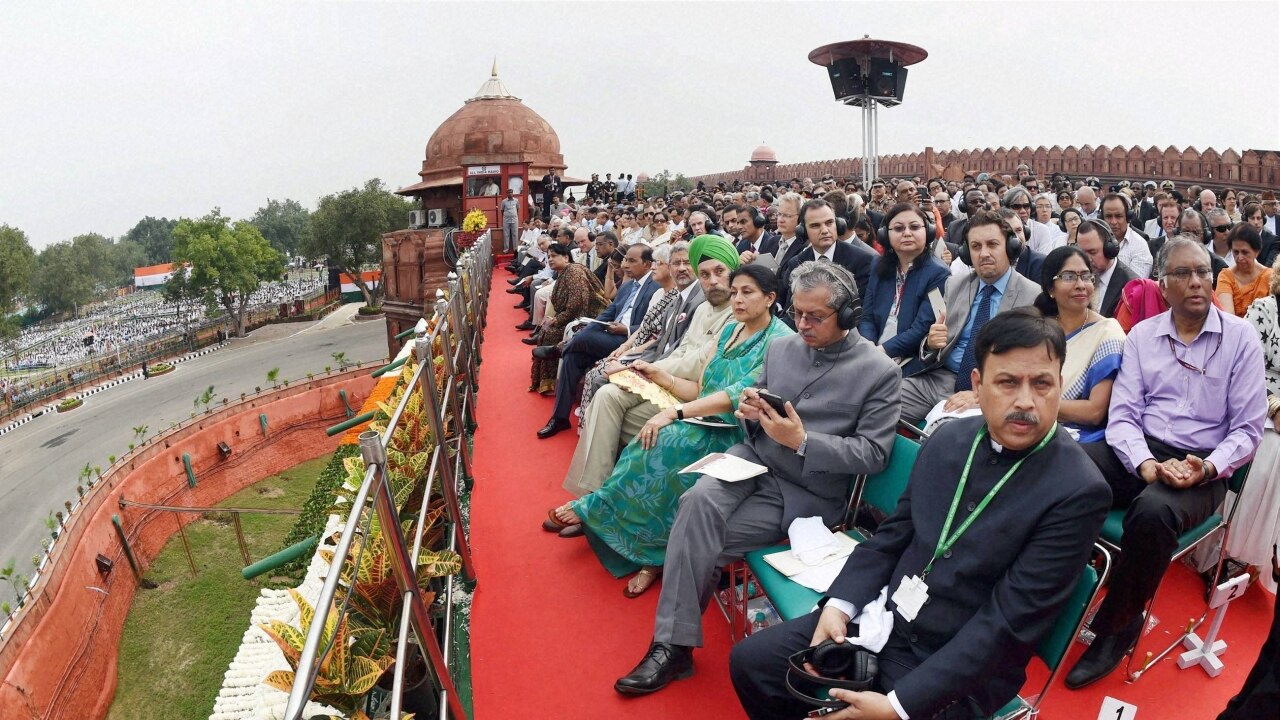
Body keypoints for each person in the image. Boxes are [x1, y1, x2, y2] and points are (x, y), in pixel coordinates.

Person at [730, 310, 1111, 720]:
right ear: (978, 386)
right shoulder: (948, 439)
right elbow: (893, 536)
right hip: (885, 617)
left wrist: (897, 707)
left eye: (1042, 384)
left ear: (1059, 385)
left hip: (962, 659)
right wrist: (839, 606)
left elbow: (1007, 624)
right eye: (1007, 382)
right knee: (754, 664)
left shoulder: (1078, 490)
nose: (1025, 401)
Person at [612, 261, 901, 696]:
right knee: (695, 504)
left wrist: (803, 440)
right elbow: (757, 409)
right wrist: (749, 412)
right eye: (797, 312)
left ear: (847, 315)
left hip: (805, 491)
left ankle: (671, 648)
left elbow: (874, 454)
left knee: (695, 537)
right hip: (749, 461)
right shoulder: (782, 348)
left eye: (814, 317)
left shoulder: (879, 370)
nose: (801, 324)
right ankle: (673, 645)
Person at [1067, 236, 1265, 689]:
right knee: (1067, 468)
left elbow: (1248, 431)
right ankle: (1056, 587)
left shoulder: (1240, 339)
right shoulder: (1143, 335)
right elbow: (1122, 418)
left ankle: (1119, 624)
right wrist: (1145, 465)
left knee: (1153, 513)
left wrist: (1207, 467)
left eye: (1202, 272)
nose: (1196, 282)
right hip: (1143, 449)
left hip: (1206, 466)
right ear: (1162, 284)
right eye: (1183, 274)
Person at [550, 265, 794, 597]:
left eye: (747, 293)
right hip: (701, 419)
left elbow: (736, 394)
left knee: (668, 443)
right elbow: (701, 387)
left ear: (770, 298)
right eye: (735, 292)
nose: (737, 299)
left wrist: (673, 412)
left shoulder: (780, 341)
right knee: (647, 441)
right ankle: (605, 515)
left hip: (738, 430)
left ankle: (651, 553)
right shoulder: (730, 331)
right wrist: (659, 376)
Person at [557, 235, 737, 499]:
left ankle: (596, 497)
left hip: (691, 393)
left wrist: (652, 370)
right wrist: (646, 368)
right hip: (668, 376)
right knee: (606, 394)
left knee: (610, 410)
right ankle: (593, 494)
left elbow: (700, 362)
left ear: (734, 273)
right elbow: (683, 349)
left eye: (719, 272)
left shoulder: (735, 312)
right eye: (705, 274)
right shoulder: (703, 309)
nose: (711, 281)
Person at [901, 210, 1040, 424]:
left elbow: (1028, 364)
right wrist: (930, 344)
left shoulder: (1032, 295)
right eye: (976, 246)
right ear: (966, 253)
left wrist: (981, 394)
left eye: (992, 244)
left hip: (992, 387)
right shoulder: (955, 284)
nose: (984, 253)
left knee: (948, 433)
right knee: (878, 401)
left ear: (1010, 247)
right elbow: (933, 347)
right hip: (940, 379)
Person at [536, 243, 658, 438]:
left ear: (647, 264)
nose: (626, 264)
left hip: (629, 343)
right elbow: (608, 312)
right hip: (609, 335)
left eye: (632, 261)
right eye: (625, 259)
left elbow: (654, 327)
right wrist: (591, 327)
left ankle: (560, 348)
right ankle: (560, 418)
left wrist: (626, 329)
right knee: (572, 357)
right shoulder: (628, 285)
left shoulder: (656, 287)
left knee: (579, 340)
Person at [576, 243, 689, 425]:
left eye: (657, 263)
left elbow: (658, 338)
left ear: (670, 268)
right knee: (593, 363)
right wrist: (624, 347)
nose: (653, 267)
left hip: (649, 353)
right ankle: (590, 423)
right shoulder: (659, 293)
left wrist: (631, 351)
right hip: (635, 345)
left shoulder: (678, 297)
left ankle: (595, 424)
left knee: (598, 373)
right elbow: (643, 326)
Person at [1032, 246, 1124, 442]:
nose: (1081, 284)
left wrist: (1030, 404)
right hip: (1031, 422)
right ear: (1050, 289)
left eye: (1085, 276)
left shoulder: (1106, 332)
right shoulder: (1038, 328)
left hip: (1079, 438)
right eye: (1069, 276)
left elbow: (1094, 412)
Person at [1231, 270, 1280, 593]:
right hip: (1256, 403)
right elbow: (1245, 367)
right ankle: (1233, 554)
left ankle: (1265, 555)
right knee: (1272, 453)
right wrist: (1275, 407)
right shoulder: (1263, 310)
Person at [859, 203, 951, 361]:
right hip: (872, 352)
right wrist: (868, 346)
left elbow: (922, 328)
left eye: (915, 227)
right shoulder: (877, 265)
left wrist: (881, 352)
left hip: (910, 358)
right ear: (884, 235)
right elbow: (867, 317)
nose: (907, 233)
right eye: (899, 228)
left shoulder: (939, 274)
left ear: (928, 232)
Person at [528, 243, 606, 395]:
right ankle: (549, 382)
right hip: (573, 315)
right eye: (548, 256)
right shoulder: (564, 272)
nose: (550, 259)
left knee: (551, 333)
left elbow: (578, 304)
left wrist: (557, 320)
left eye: (554, 256)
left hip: (588, 317)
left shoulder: (574, 272)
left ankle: (554, 384)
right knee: (546, 329)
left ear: (565, 257)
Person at [779, 199, 878, 312]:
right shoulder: (796, 263)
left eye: (829, 223)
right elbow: (790, 310)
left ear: (838, 224)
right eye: (815, 225)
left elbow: (862, 312)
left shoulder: (862, 260)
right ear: (803, 231)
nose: (825, 230)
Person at [1075, 219, 1137, 319]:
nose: (1087, 259)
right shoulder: (1076, 277)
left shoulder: (1130, 285)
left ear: (1110, 248)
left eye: (1092, 252)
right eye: (1082, 253)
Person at [1217, 225, 1273, 316]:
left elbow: (1272, 314)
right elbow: (1228, 317)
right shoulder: (1226, 276)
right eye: (1235, 252)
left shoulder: (1270, 277)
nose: (1239, 258)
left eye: (1245, 252)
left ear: (1257, 252)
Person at [499, 188, 520, 253]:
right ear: (507, 194)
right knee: (506, 234)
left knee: (515, 234)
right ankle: (506, 250)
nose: (510, 194)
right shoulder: (504, 201)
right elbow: (502, 210)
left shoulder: (516, 200)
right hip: (506, 220)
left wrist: (513, 214)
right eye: (508, 193)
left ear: (512, 193)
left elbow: (517, 209)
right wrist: (506, 216)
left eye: (511, 192)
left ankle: (515, 249)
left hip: (514, 219)